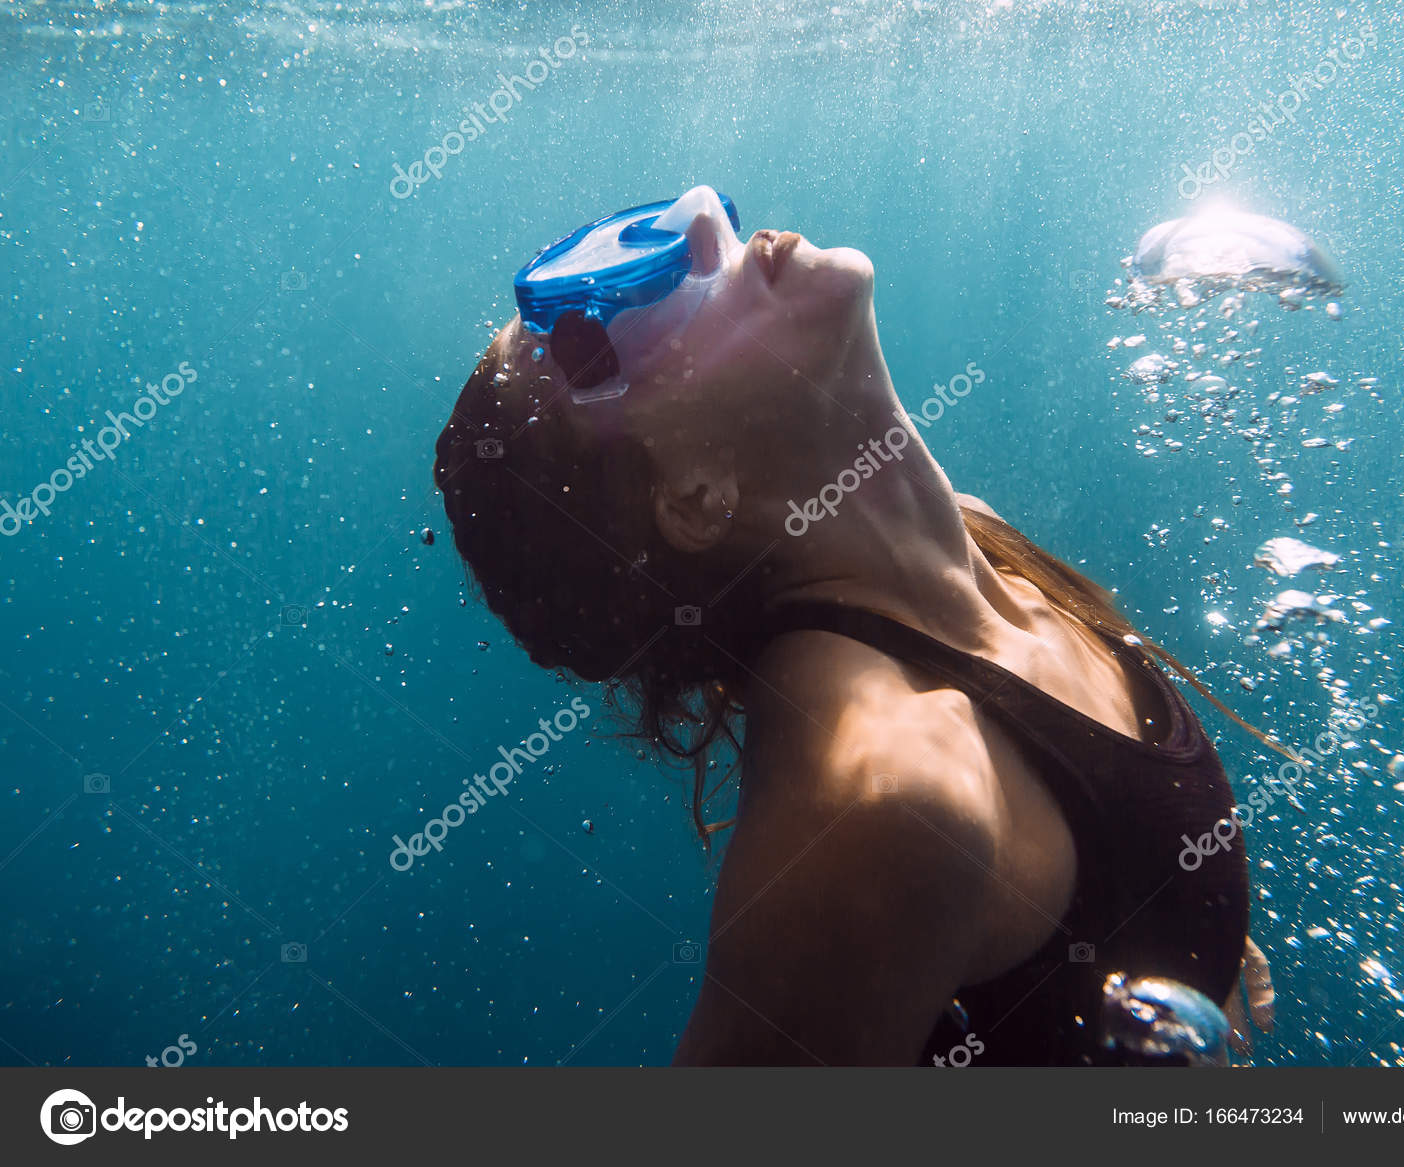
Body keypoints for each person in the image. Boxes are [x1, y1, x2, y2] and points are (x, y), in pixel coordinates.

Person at [433, 187, 1277, 1065]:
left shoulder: (976, 541)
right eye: (590, 340)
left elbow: (1102, 836)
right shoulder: (893, 795)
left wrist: (1177, 911)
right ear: (693, 494)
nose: (699, 217)